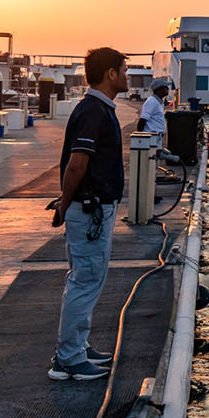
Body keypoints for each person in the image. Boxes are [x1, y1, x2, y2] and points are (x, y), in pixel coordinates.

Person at [47, 47, 129, 381]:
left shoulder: (98, 109)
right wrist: (65, 203)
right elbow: (77, 163)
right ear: (111, 73)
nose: (127, 76)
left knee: (87, 280)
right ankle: (68, 359)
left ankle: (76, 347)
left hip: (93, 209)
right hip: (90, 210)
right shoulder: (94, 111)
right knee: (85, 282)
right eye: (124, 70)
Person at [140, 80, 169, 153]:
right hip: (151, 137)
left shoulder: (159, 102)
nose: (168, 89)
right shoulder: (152, 101)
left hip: (156, 137)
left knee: (155, 161)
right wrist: (140, 139)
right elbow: (142, 121)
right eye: (165, 87)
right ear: (159, 89)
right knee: (150, 161)